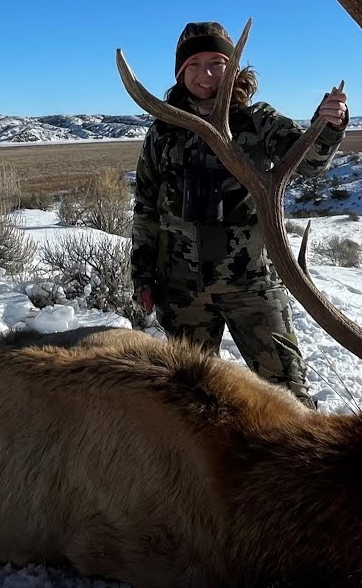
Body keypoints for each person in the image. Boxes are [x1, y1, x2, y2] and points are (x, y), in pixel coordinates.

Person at [130, 21, 349, 408]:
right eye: (195, 65)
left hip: (252, 282)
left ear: (234, 68)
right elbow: (146, 207)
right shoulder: (162, 132)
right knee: (189, 398)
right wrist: (143, 275)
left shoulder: (257, 120)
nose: (207, 75)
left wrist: (326, 127)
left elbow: (310, 161)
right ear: (181, 73)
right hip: (182, 287)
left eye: (217, 63)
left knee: (287, 396)